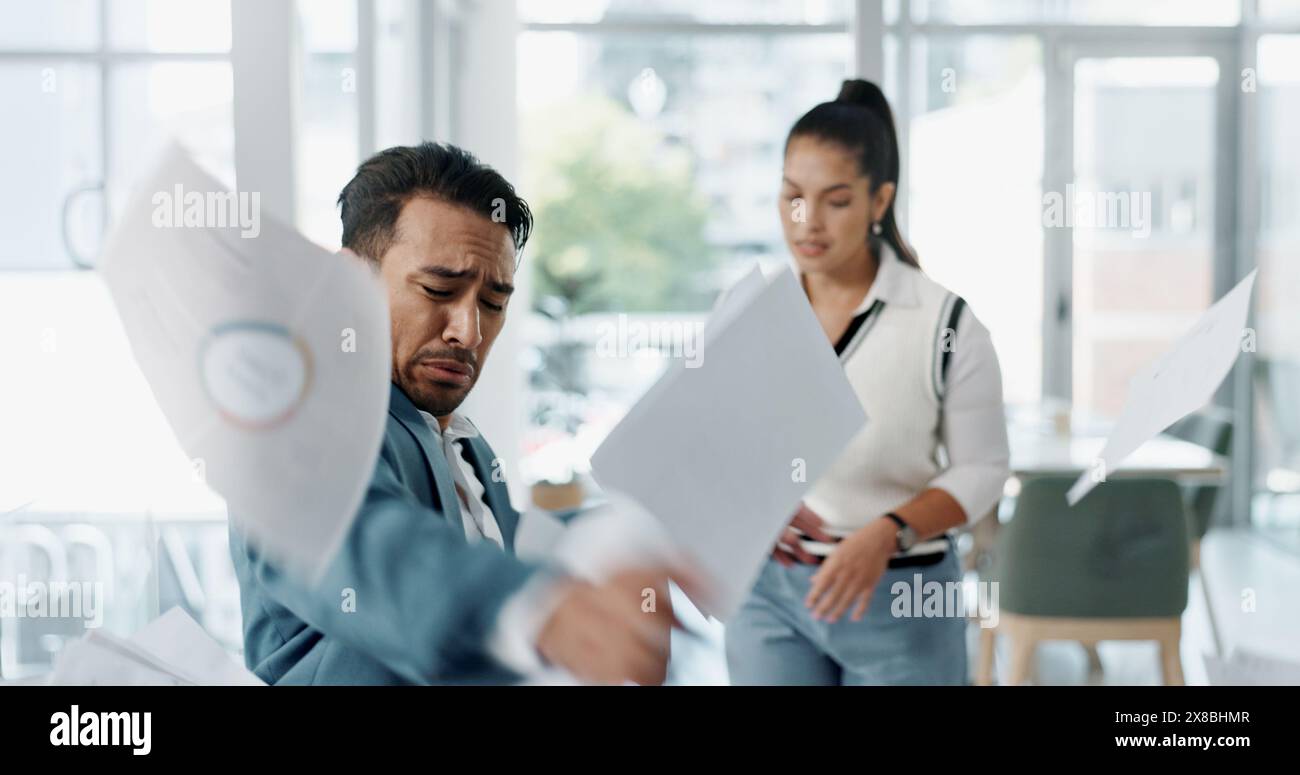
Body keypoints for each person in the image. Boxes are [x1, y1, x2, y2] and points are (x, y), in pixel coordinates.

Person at [230, 142, 680, 685]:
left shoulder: (465, 445)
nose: (468, 332)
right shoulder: (301, 420)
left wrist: (670, 530)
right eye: (439, 289)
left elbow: (516, 555)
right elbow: (365, 543)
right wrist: (537, 607)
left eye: (494, 303)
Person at [724, 80, 1011, 685]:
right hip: (768, 593)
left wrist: (889, 532)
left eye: (836, 200)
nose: (808, 221)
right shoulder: (750, 308)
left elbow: (982, 470)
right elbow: (718, 440)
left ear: (879, 201)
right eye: (792, 196)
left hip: (900, 598)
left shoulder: (944, 322)